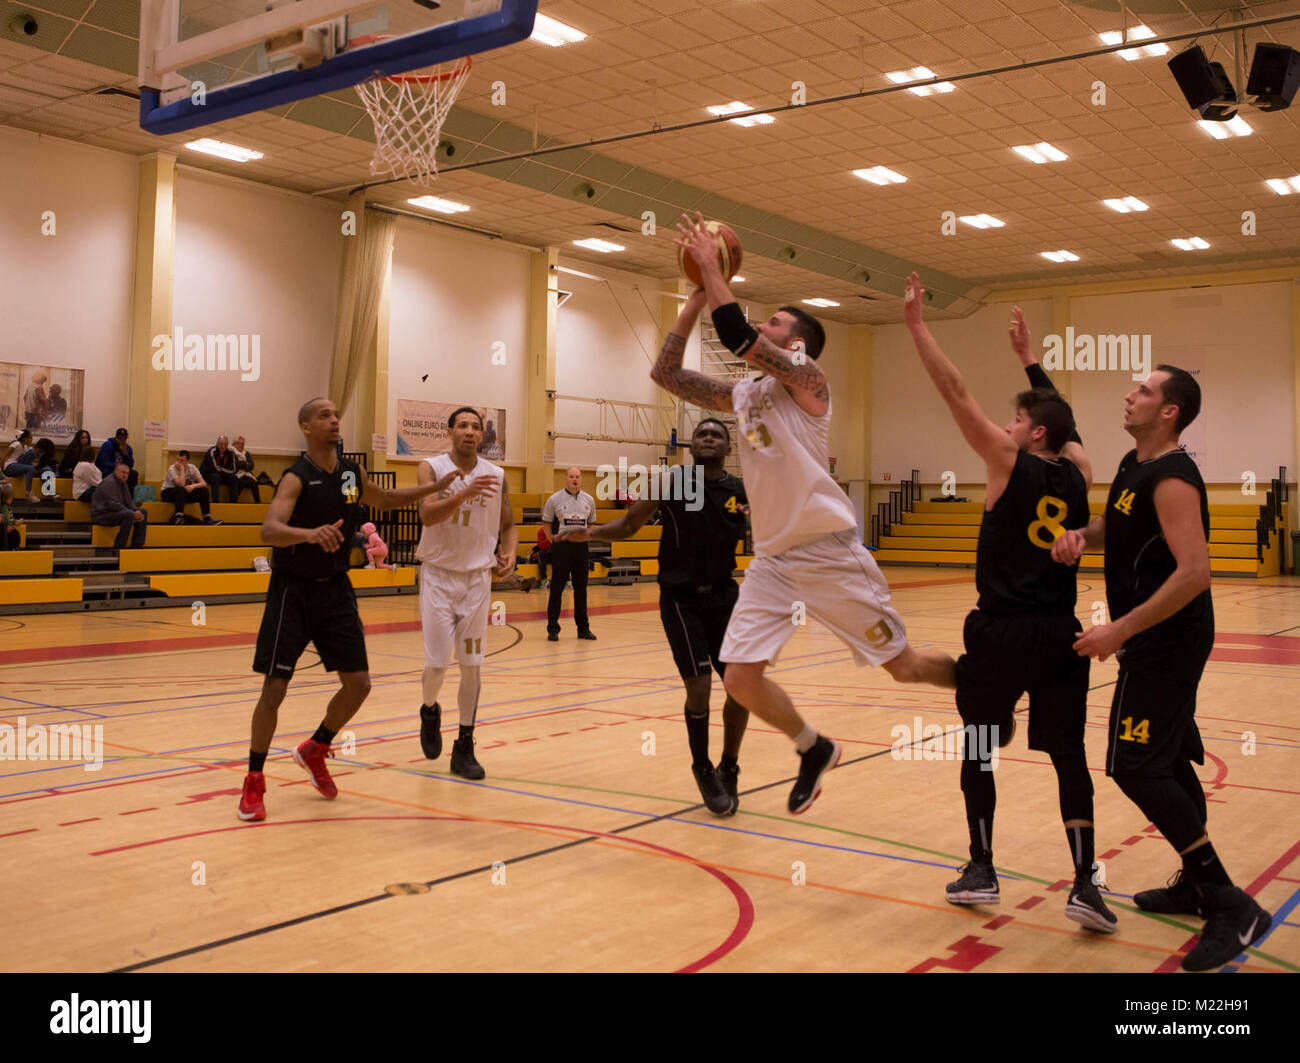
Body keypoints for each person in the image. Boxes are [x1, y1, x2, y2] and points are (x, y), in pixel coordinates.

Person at [657, 212, 957, 815]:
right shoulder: (742, 395)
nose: (762, 325)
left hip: (826, 551)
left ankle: (984, 688)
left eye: (776, 322)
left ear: (792, 345)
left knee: (903, 667)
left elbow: (739, 334)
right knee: (739, 678)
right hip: (772, 561)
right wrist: (693, 295)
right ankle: (812, 748)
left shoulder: (810, 382)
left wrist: (714, 270)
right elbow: (665, 374)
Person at [904, 275, 1114, 931]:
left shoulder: (1003, 458)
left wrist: (917, 326)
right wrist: (1029, 358)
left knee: (980, 746)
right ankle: (1085, 882)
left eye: (1019, 417)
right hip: (1059, 635)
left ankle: (982, 867)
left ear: (1032, 431)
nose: (1007, 421)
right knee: (1070, 756)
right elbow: (1067, 421)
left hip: (999, 632)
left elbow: (954, 390)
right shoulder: (1080, 472)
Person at [1052, 367, 1274, 971]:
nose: (1130, 395)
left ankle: (1230, 904)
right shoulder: (1133, 465)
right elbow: (1118, 531)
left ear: (1170, 411)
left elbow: (1195, 571)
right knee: (1170, 759)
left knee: (1133, 764)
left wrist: (1118, 631)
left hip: (1167, 642)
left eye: (1145, 391)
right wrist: (1080, 534)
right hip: (1151, 639)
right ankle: (1196, 889)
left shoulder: (1175, 476)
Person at [238, 397, 458, 822]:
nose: (334, 420)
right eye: (324, 415)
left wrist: (433, 488)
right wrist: (308, 534)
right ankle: (254, 779)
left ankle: (316, 748)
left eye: (336, 414)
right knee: (274, 690)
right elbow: (269, 530)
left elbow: (388, 500)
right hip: (292, 591)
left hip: (336, 589)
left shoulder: (351, 474)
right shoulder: (295, 477)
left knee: (359, 684)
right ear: (305, 426)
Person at [556, 419, 752, 815]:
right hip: (681, 598)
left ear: (728, 447)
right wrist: (590, 534)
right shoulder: (672, 481)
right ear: (691, 446)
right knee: (699, 688)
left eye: (717, 434)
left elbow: (768, 534)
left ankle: (729, 767)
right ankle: (702, 767)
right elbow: (630, 524)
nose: (709, 438)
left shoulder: (742, 490)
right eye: (702, 434)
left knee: (742, 688)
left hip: (726, 596)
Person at [415, 406, 517, 780]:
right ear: (450, 431)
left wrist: (510, 553)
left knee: (472, 667)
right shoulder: (432, 468)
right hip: (439, 578)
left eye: (476, 426)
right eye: (463, 425)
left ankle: (465, 745)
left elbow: (508, 525)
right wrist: (464, 493)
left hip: (477, 581)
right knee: (438, 665)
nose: (470, 431)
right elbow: (427, 515)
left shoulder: (497, 475)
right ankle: (429, 709)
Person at [542, 466, 597, 641]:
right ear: (566, 478)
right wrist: (553, 541)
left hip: (581, 548)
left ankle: (583, 629)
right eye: (571, 476)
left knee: (581, 590)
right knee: (557, 589)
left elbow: (591, 524)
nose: (574, 479)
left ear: (581, 479)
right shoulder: (554, 499)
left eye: (577, 477)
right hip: (562, 548)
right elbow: (546, 523)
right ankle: (552, 629)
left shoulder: (589, 499)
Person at [91, 462, 147, 549]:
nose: (125, 475)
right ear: (116, 471)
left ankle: (138, 544)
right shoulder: (109, 483)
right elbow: (113, 505)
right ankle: (119, 547)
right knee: (128, 515)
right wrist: (133, 514)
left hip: (114, 512)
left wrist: (136, 511)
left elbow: (129, 502)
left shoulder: (123, 483)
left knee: (143, 512)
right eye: (123, 472)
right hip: (101, 515)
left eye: (127, 473)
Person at [163, 450, 221, 525]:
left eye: (182, 461)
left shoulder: (192, 468)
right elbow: (181, 484)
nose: (178, 462)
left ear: (187, 462)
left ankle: (207, 518)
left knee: (203, 490)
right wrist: (182, 469)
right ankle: (178, 517)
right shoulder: (172, 469)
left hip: (183, 494)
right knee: (181, 489)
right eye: (178, 460)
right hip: (168, 493)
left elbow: (204, 483)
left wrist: (193, 486)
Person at [4, 430, 40, 502]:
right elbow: (5, 456)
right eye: (30, 438)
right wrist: (1, 471)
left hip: (17, 465)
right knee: (31, 468)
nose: (32, 439)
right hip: (10, 466)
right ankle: (28, 493)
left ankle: (22, 473)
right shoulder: (16, 444)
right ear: (25, 439)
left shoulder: (26, 447)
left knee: (32, 452)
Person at [201, 436, 240, 503]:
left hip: (223, 475)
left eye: (225, 444)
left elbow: (233, 469)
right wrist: (224, 470)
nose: (223, 446)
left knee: (234, 477)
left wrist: (221, 469)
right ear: (217, 444)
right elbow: (213, 468)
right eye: (221, 444)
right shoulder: (212, 451)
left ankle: (233, 502)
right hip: (209, 474)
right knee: (216, 476)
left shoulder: (231, 452)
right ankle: (215, 501)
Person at [230, 436, 260, 502]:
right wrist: (245, 463)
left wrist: (243, 465)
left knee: (254, 482)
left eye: (243, 444)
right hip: (236, 473)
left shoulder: (246, 453)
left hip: (246, 473)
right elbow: (235, 464)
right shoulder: (231, 452)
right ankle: (234, 500)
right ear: (234, 444)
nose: (241, 445)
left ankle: (258, 502)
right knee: (241, 482)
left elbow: (251, 465)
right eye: (239, 443)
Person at [0, 481, 20, 550]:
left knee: (16, 534)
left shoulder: (8, 506)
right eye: (11, 498)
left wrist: (15, 521)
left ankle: (15, 547)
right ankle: (12, 548)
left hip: (11, 526)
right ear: (6, 498)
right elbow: (6, 518)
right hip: (8, 527)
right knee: (13, 535)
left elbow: (11, 517)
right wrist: (8, 526)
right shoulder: (4, 507)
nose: (12, 500)